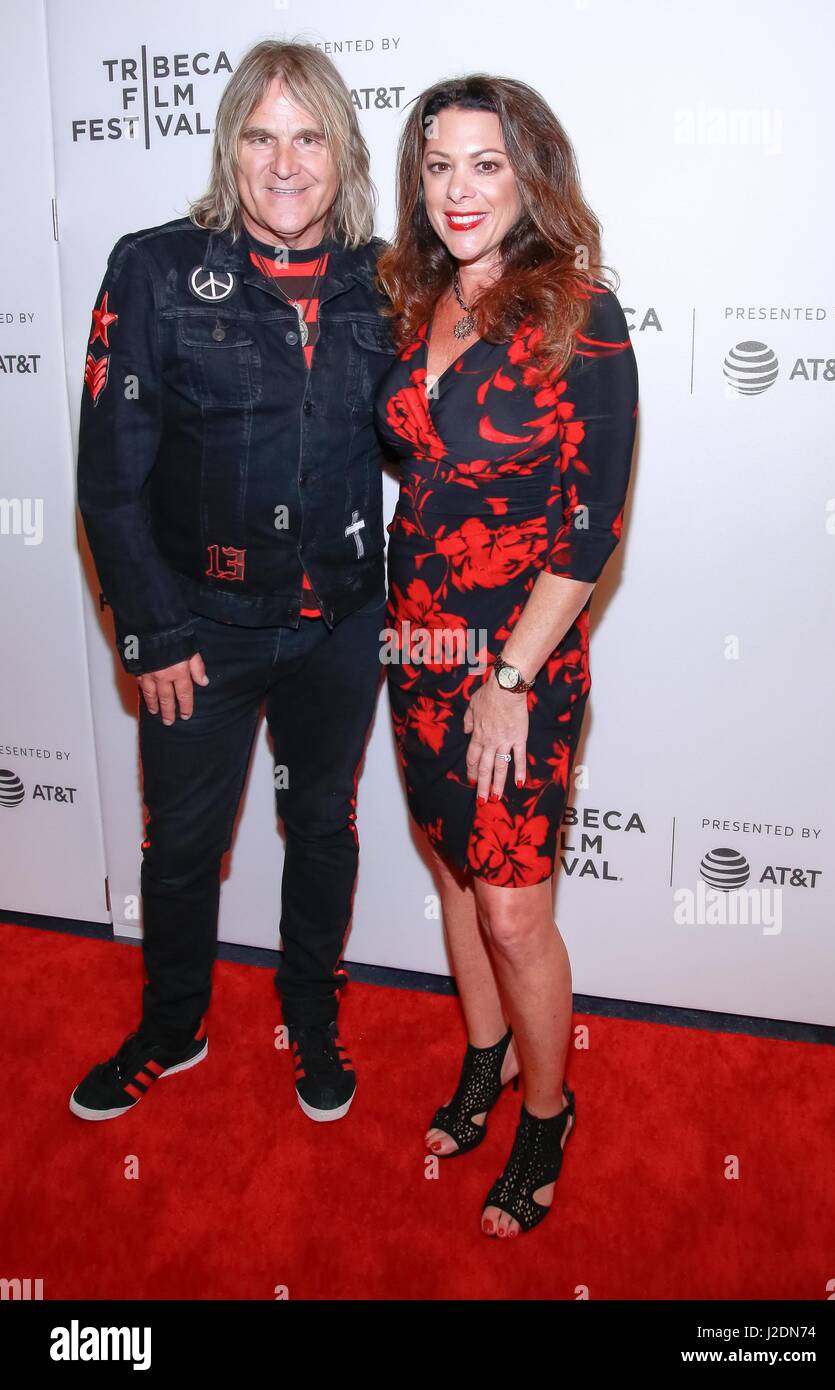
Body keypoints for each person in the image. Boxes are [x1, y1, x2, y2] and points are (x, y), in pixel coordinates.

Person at [70, 39, 396, 1124]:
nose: (285, 161)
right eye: (261, 135)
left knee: (322, 829)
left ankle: (310, 1016)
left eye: (308, 135)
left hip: (340, 622)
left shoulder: (386, 280)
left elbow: (441, 434)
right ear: (231, 148)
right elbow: (109, 480)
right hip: (199, 629)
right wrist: (152, 631)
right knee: (184, 848)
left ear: (340, 150)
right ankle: (174, 1027)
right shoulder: (154, 268)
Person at [374, 76, 639, 1237]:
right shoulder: (410, 299)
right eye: (437, 165)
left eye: (484, 163)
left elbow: (590, 533)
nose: (457, 189)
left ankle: (545, 1111)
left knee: (516, 913)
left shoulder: (578, 315)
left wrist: (510, 679)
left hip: (515, 676)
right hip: (413, 648)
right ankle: (481, 1058)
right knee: (451, 877)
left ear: (529, 174)